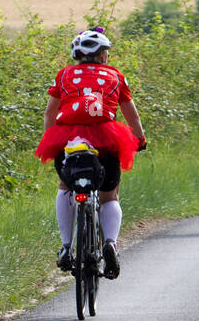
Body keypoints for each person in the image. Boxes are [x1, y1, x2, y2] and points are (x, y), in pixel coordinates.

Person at [36, 27, 146, 279]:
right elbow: (132, 114)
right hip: (106, 137)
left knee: (65, 186)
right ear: (101, 55)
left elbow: (49, 113)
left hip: (68, 139)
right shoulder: (115, 76)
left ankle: (66, 247)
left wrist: (50, 139)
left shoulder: (63, 75)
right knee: (109, 195)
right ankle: (110, 243)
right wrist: (139, 139)